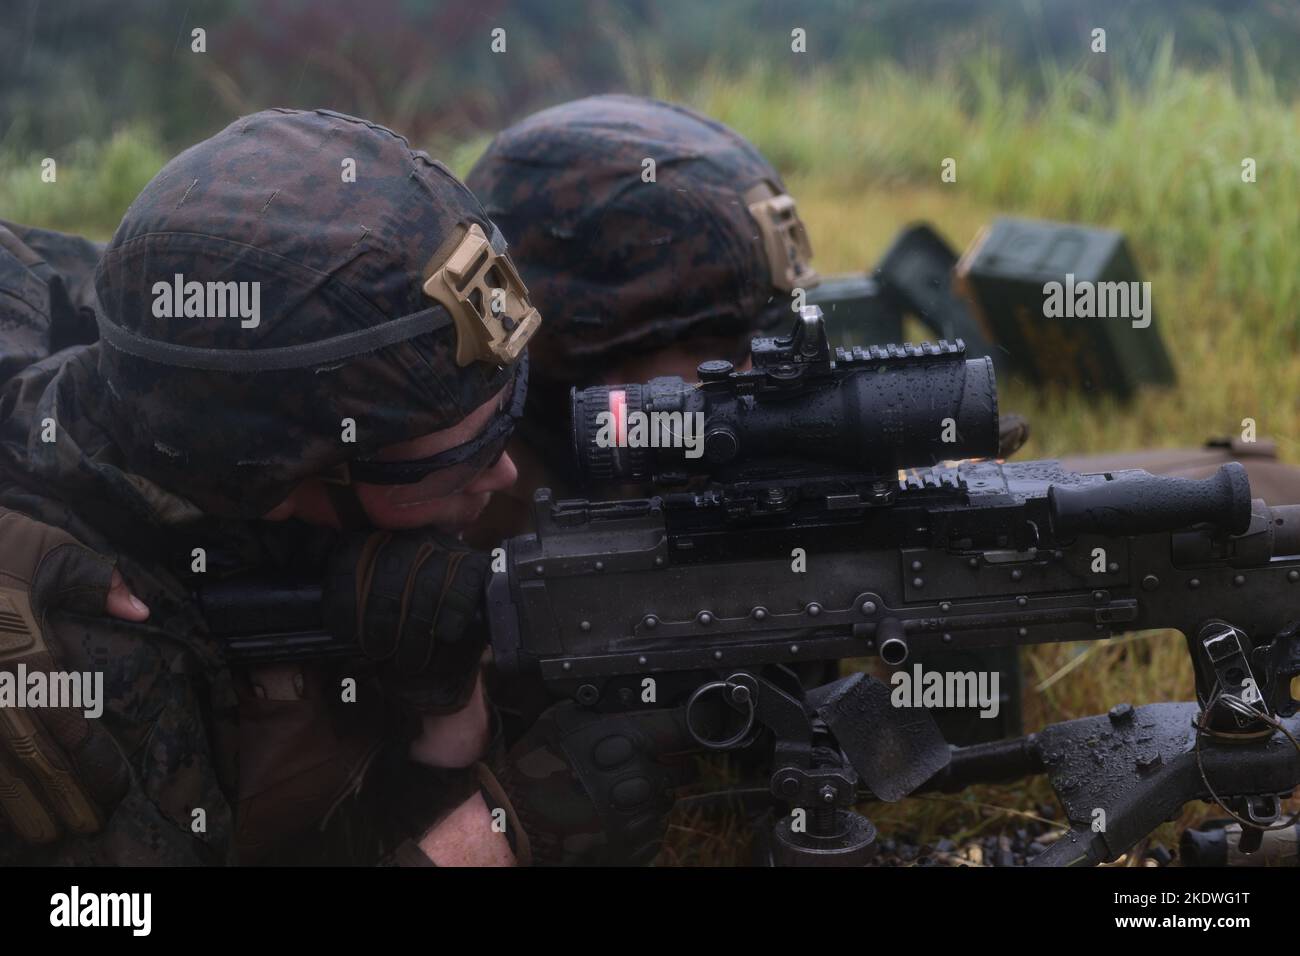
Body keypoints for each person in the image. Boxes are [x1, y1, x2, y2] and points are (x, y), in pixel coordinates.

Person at [0, 108, 688, 866]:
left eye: (506, 417)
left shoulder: (202, 378)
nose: (505, 474)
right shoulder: (73, 654)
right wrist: (489, 843)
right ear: (274, 478)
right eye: (460, 461)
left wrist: (446, 715)